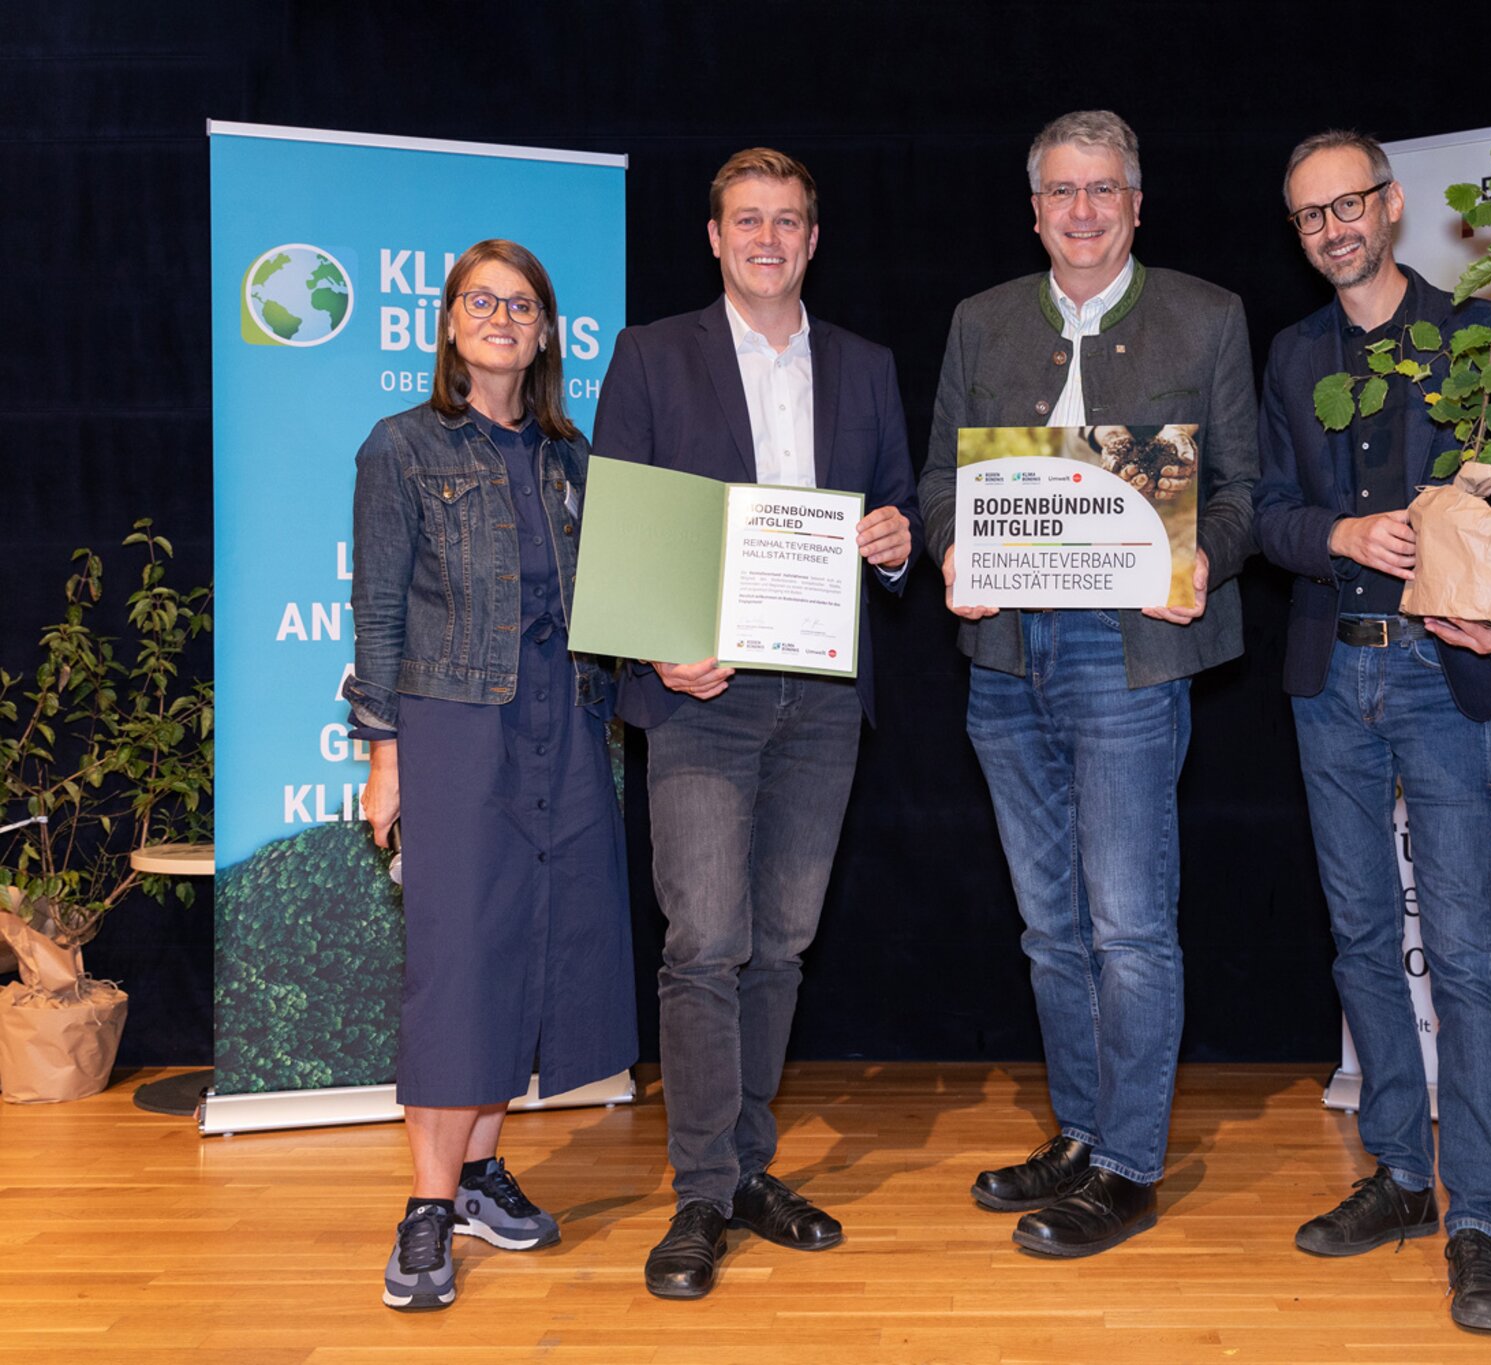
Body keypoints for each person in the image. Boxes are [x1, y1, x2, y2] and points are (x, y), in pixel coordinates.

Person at [919, 110, 1257, 1258]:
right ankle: (1077, 1129)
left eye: (1101, 190)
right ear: (1033, 208)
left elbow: (1242, 492)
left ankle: (1125, 1162)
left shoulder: (1207, 317)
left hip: (1128, 655)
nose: (1080, 211)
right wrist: (950, 551)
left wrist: (1204, 553)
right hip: (1007, 656)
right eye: (1060, 191)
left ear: (1136, 202)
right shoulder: (980, 320)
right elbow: (934, 482)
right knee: (1048, 928)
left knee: (1125, 925)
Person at [1253, 130, 1491, 1333]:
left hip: (1444, 683)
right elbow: (1263, 518)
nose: (1332, 229)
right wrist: (1337, 537)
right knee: (1354, 939)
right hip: (1330, 677)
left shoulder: (1484, 343)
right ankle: (1397, 1177)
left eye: (1348, 205)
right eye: (1308, 217)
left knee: (1462, 955)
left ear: (1391, 205)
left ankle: (1477, 1221)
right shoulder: (1290, 359)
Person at [591, 147, 921, 1301]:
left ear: (812, 240)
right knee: (704, 945)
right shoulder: (649, 355)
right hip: (701, 695)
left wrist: (896, 542)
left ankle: (745, 1170)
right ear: (715, 237)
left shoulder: (867, 366)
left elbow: (896, 504)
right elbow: (618, 524)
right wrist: (650, 646)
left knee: (778, 944)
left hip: (822, 698)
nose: (768, 238)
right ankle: (696, 1195)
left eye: (787, 221)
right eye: (747, 221)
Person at [347, 239, 635, 1312]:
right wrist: (386, 753)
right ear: (452, 323)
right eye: (482, 300)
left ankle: (476, 1174)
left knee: (530, 944)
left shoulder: (572, 458)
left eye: (521, 304)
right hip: (456, 725)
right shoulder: (403, 447)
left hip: (565, 723)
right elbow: (376, 611)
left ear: (548, 331)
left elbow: (615, 599)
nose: (502, 317)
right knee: (458, 960)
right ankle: (425, 1208)